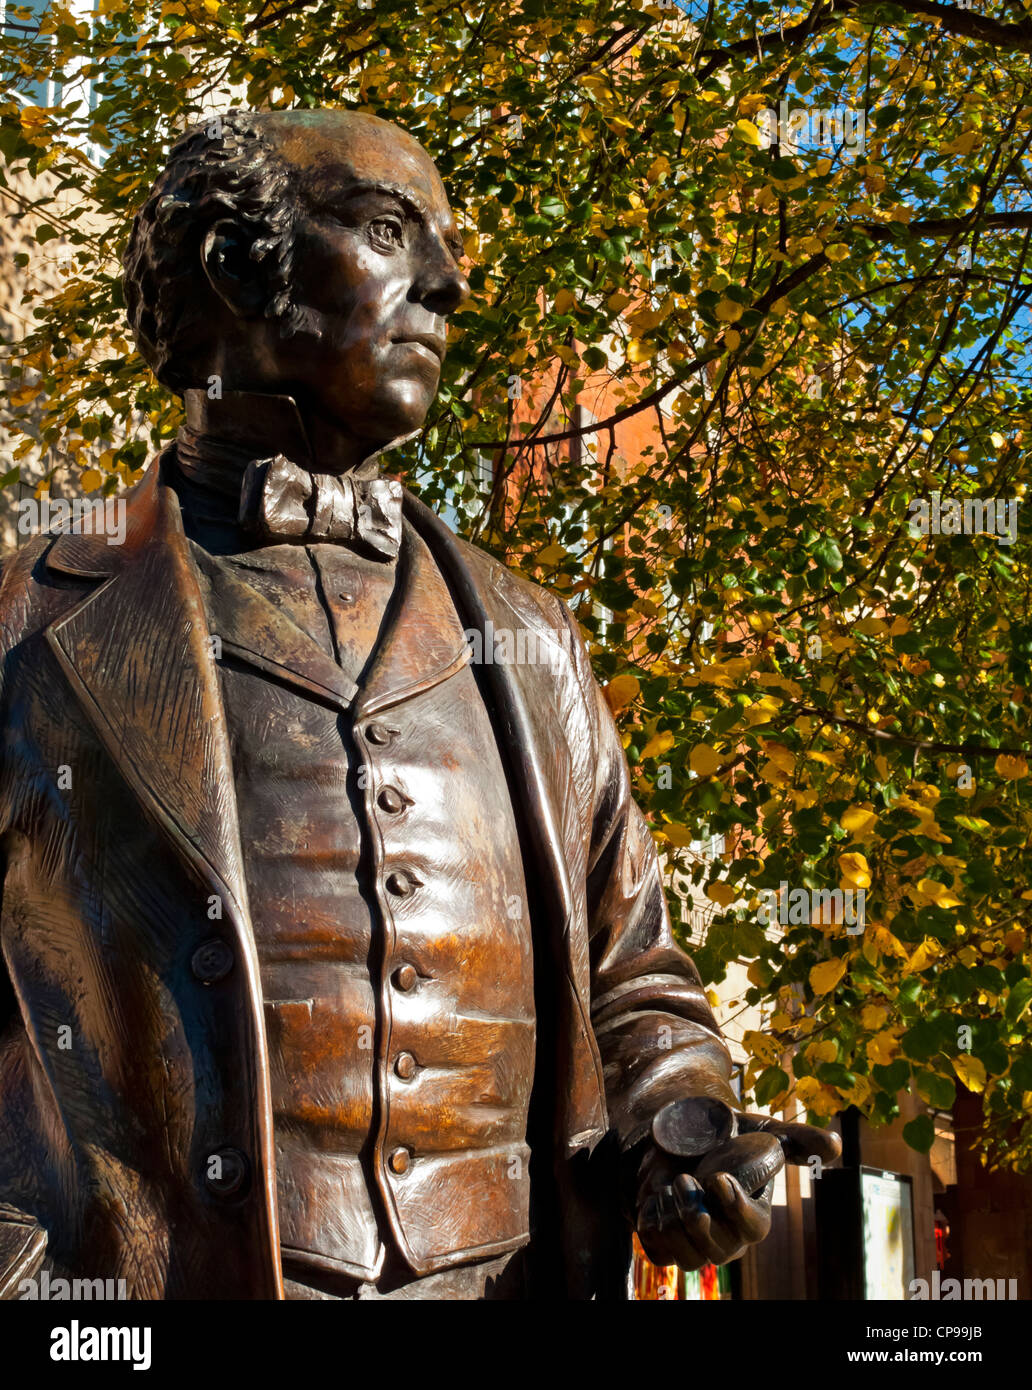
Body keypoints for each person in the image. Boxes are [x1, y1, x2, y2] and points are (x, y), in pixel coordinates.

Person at [0, 109, 838, 1299]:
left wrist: (680, 1131)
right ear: (237, 267)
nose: (448, 285)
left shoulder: (532, 639)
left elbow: (635, 974)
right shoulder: (31, 624)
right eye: (394, 230)